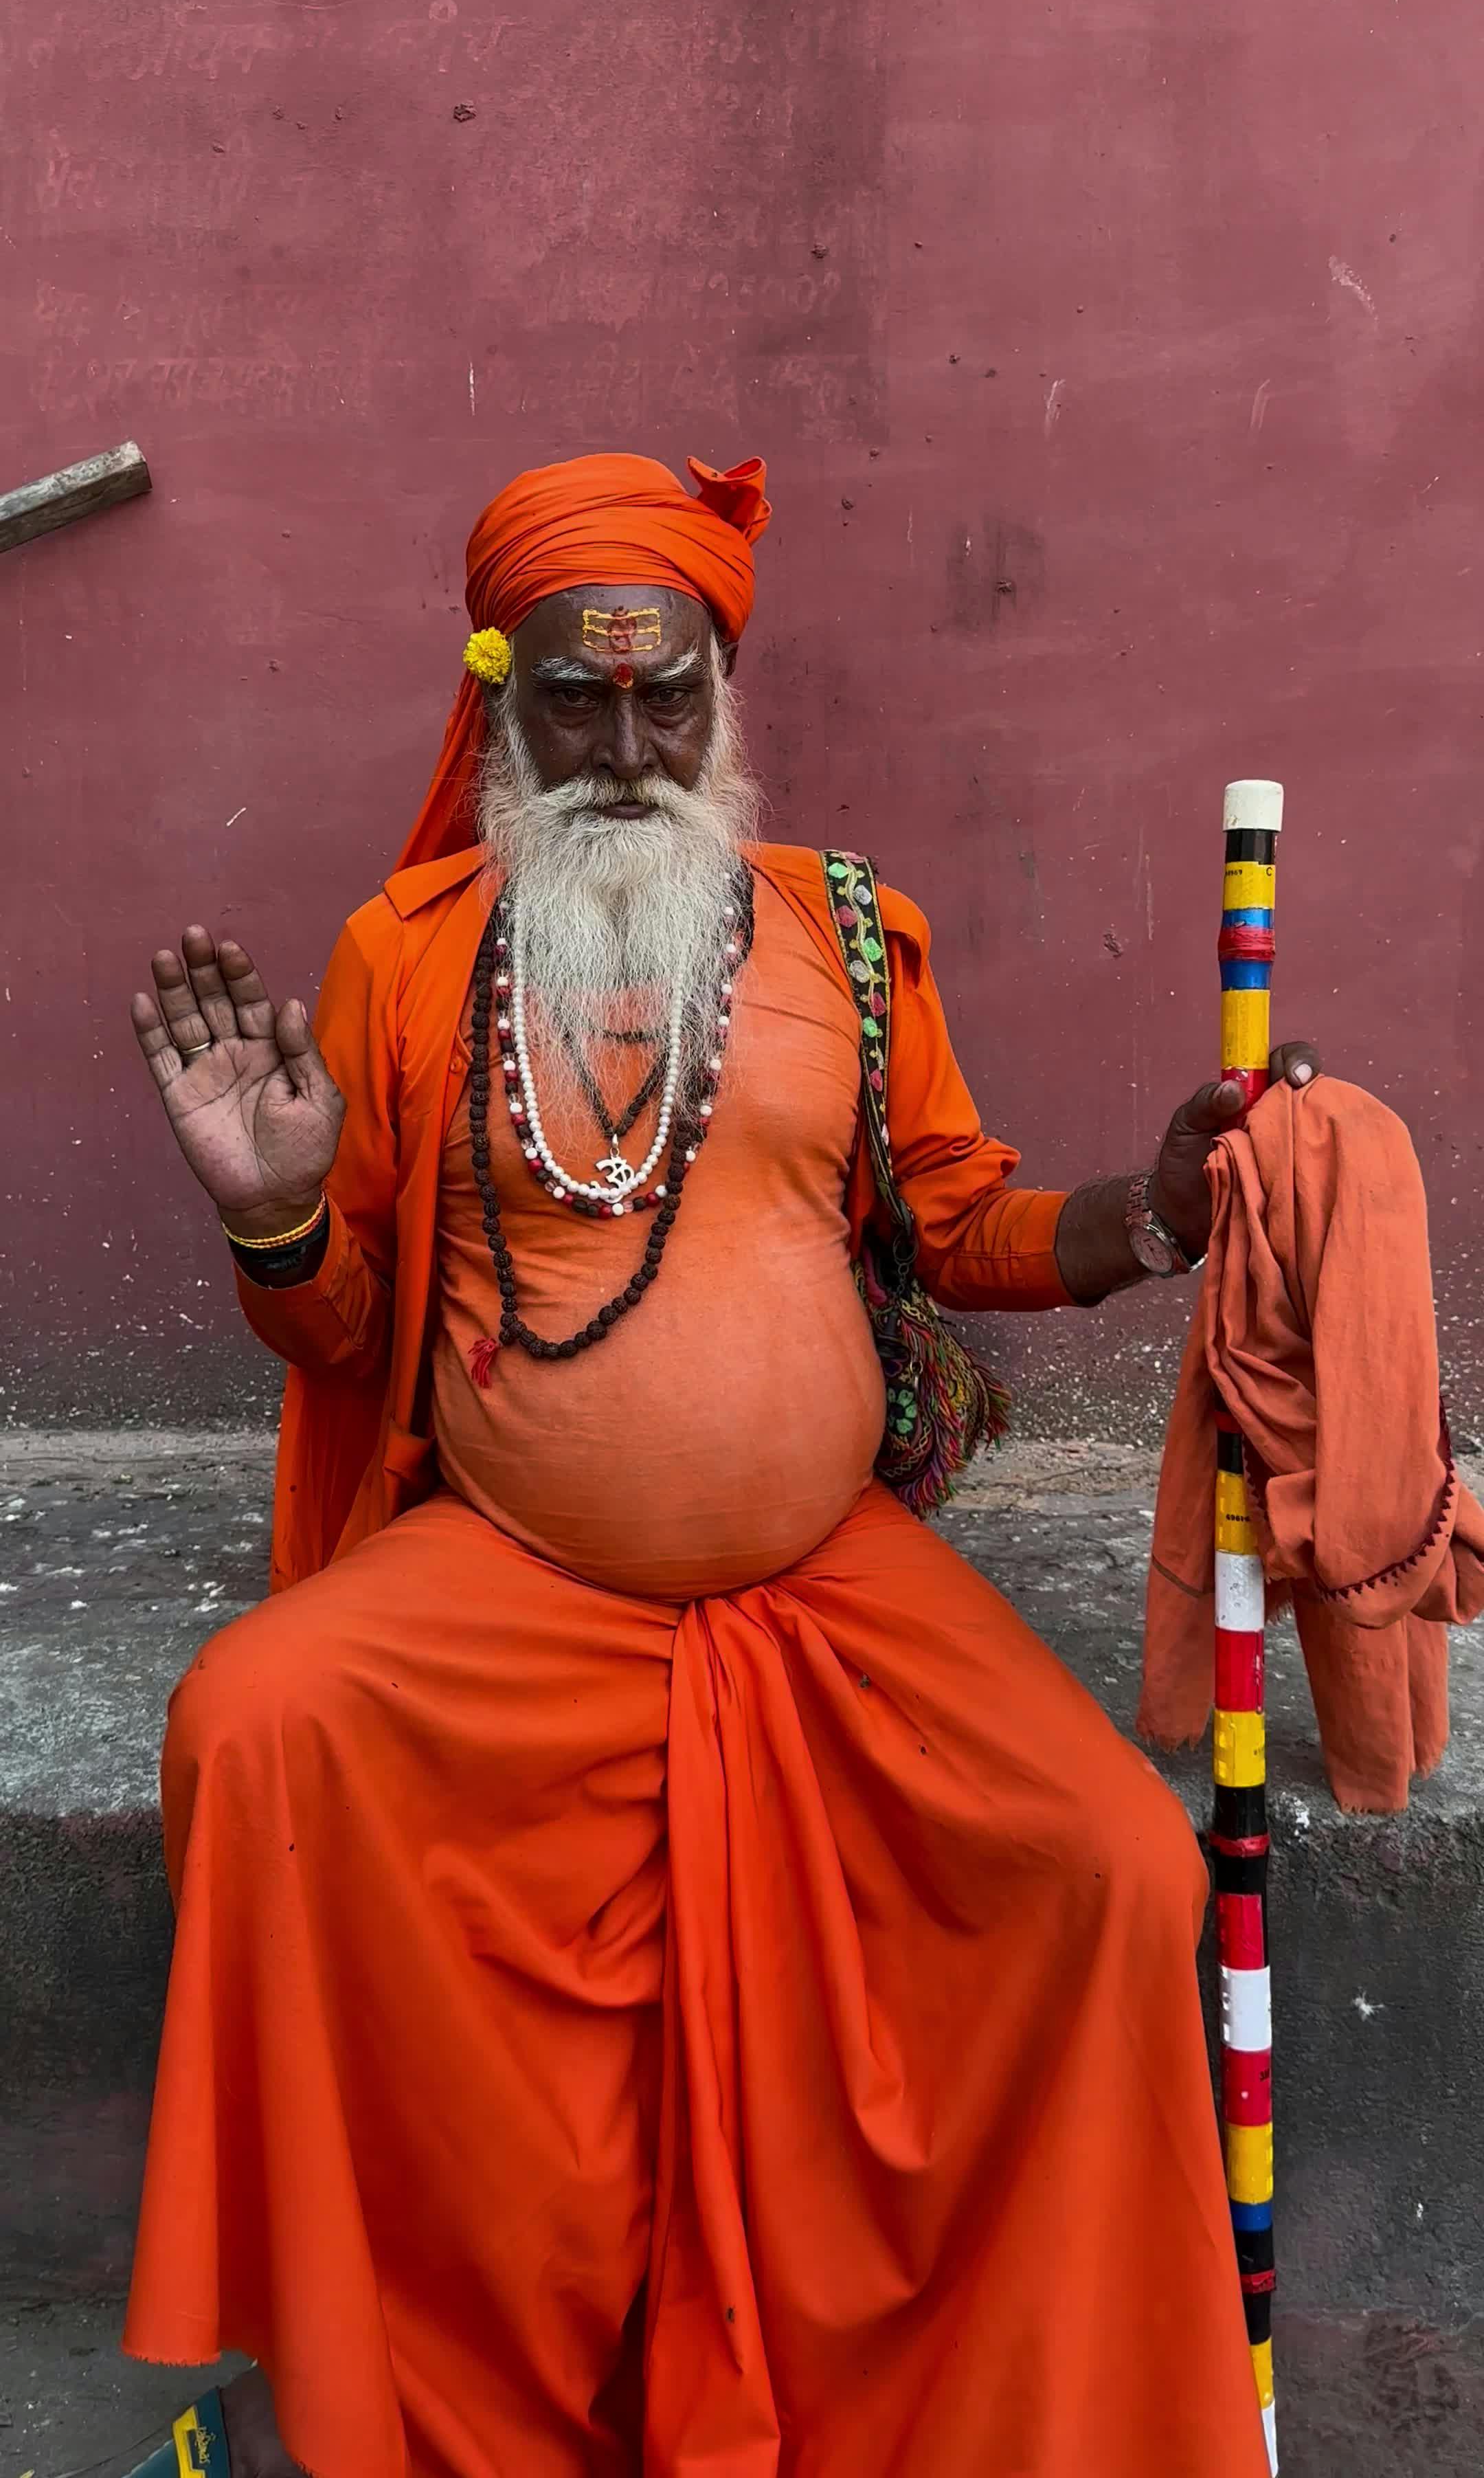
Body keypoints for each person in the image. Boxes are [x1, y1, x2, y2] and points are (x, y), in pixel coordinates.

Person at [122, 452, 1316, 2478]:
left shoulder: (844, 935)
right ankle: (377, 2352)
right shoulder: (409, 959)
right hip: (513, 1579)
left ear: (721, 691)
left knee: (1119, 1872)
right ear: (500, 706)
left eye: (662, 695)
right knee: (250, 1719)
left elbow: (956, 1220)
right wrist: (276, 1216)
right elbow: (350, 1341)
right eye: (571, 706)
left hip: (824, 1583)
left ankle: (1020, 2405)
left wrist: (1162, 1207)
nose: (620, 748)